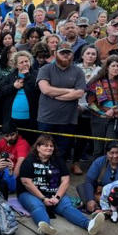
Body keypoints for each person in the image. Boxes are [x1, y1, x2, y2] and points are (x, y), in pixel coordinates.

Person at [18, 134, 106, 235]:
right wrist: (43, 198)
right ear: (38, 147)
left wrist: (57, 197)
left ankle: (89, 225)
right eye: (45, 145)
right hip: (31, 193)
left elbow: (66, 180)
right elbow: (26, 182)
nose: (49, 148)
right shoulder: (29, 161)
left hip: (54, 193)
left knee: (66, 207)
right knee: (37, 206)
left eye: (51, 146)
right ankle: (46, 227)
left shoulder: (57, 160)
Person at [36, 42, 86, 171]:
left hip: (68, 120)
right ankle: (43, 172)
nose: (65, 55)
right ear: (55, 53)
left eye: (68, 53)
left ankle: (58, 173)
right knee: (44, 149)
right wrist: (69, 91)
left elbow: (79, 93)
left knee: (63, 151)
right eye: (62, 52)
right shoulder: (45, 69)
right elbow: (45, 89)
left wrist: (55, 95)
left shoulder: (78, 71)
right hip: (47, 119)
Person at [76, 141, 118, 214]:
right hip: (102, 195)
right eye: (111, 153)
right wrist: (90, 199)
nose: (115, 156)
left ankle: (105, 211)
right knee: (82, 188)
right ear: (107, 153)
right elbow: (89, 181)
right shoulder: (99, 162)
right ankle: (98, 208)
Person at [86, 56, 118, 156]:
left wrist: (114, 110)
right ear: (107, 67)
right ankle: (97, 166)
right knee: (98, 149)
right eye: (113, 66)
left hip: (115, 118)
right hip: (98, 118)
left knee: (110, 147)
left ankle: (108, 166)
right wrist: (104, 112)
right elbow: (90, 102)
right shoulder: (97, 80)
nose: (116, 68)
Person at [0, 51, 39, 137]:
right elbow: (0, 90)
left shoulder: (36, 74)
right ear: (16, 65)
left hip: (30, 118)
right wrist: (13, 86)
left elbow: (37, 90)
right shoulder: (10, 76)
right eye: (21, 62)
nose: (25, 64)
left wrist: (27, 75)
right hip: (12, 117)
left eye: (26, 61)